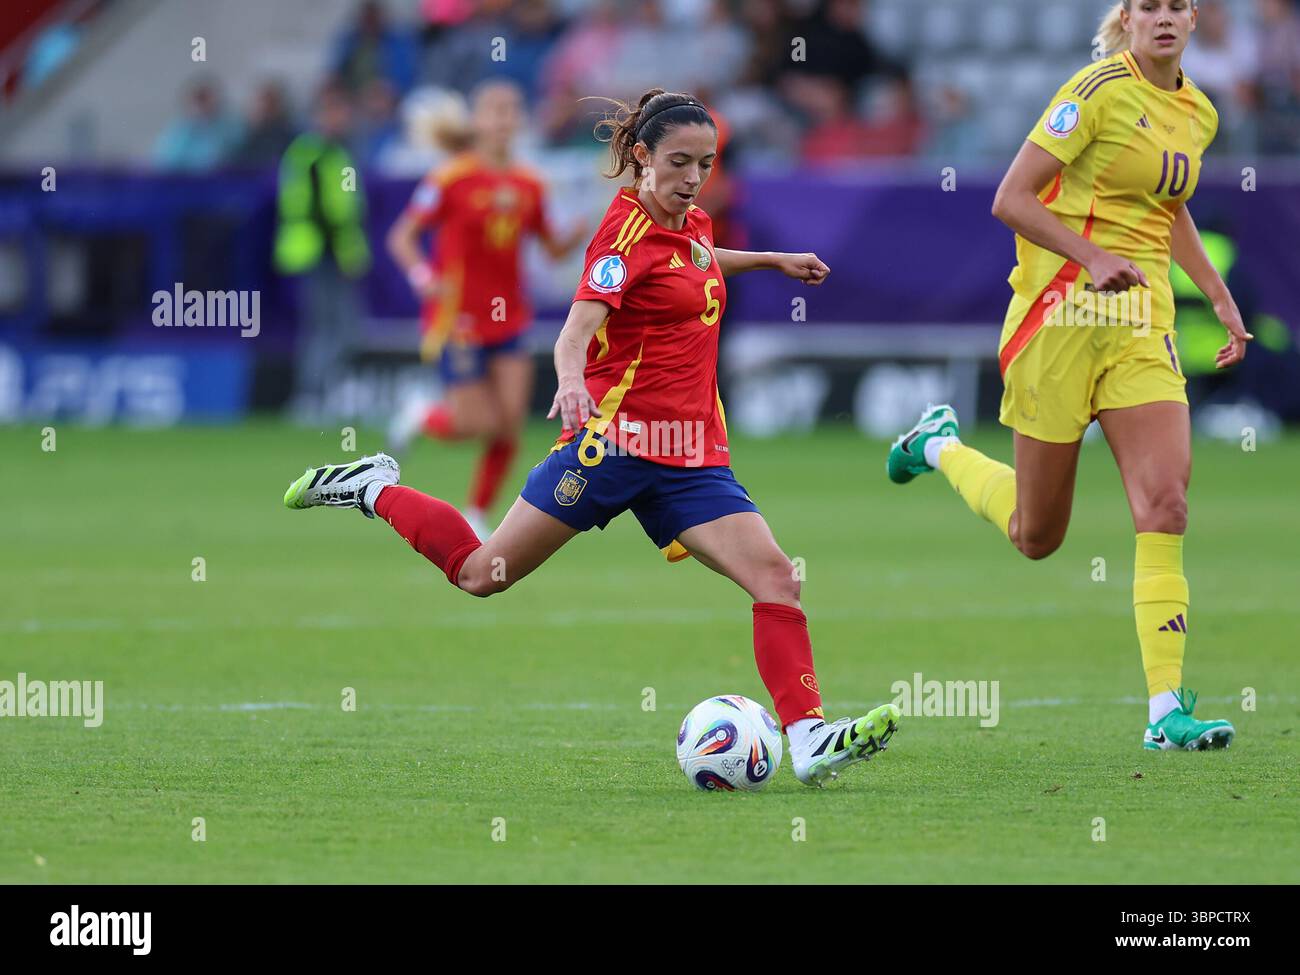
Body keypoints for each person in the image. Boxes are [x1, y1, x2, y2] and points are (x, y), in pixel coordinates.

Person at [285, 89, 901, 787]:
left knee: (775, 578)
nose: (694, 177)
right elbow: (576, 329)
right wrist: (573, 383)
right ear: (641, 156)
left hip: (690, 456)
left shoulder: (689, 221)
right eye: (679, 162)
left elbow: (694, 257)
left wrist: (769, 259)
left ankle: (810, 736)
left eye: (705, 162)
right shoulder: (624, 235)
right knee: (482, 574)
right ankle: (374, 488)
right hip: (610, 445)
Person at [886, 0, 1250, 752]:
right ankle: (938, 445)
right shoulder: (1093, 91)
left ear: (1194, 19)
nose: (1165, 17)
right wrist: (1089, 258)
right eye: (1149, 5)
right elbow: (1009, 199)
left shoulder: (1199, 112)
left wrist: (1217, 294)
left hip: (1140, 327)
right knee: (1037, 534)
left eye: (1179, 6)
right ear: (1129, 16)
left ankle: (1164, 711)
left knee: (1166, 503)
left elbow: (1168, 206)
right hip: (1058, 319)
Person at [385, 79, 586, 538]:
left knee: (510, 423)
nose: (504, 119)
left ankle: (476, 513)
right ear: (476, 121)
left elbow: (552, 249)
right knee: (476, 422)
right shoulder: (451, 178)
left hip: (511, 316)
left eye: (512, 110)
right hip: (459, 317)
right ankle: (421, 416)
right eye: (495, 111)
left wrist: (578, 231)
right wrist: (424, 277)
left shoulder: (529, 182)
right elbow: (402, 237)